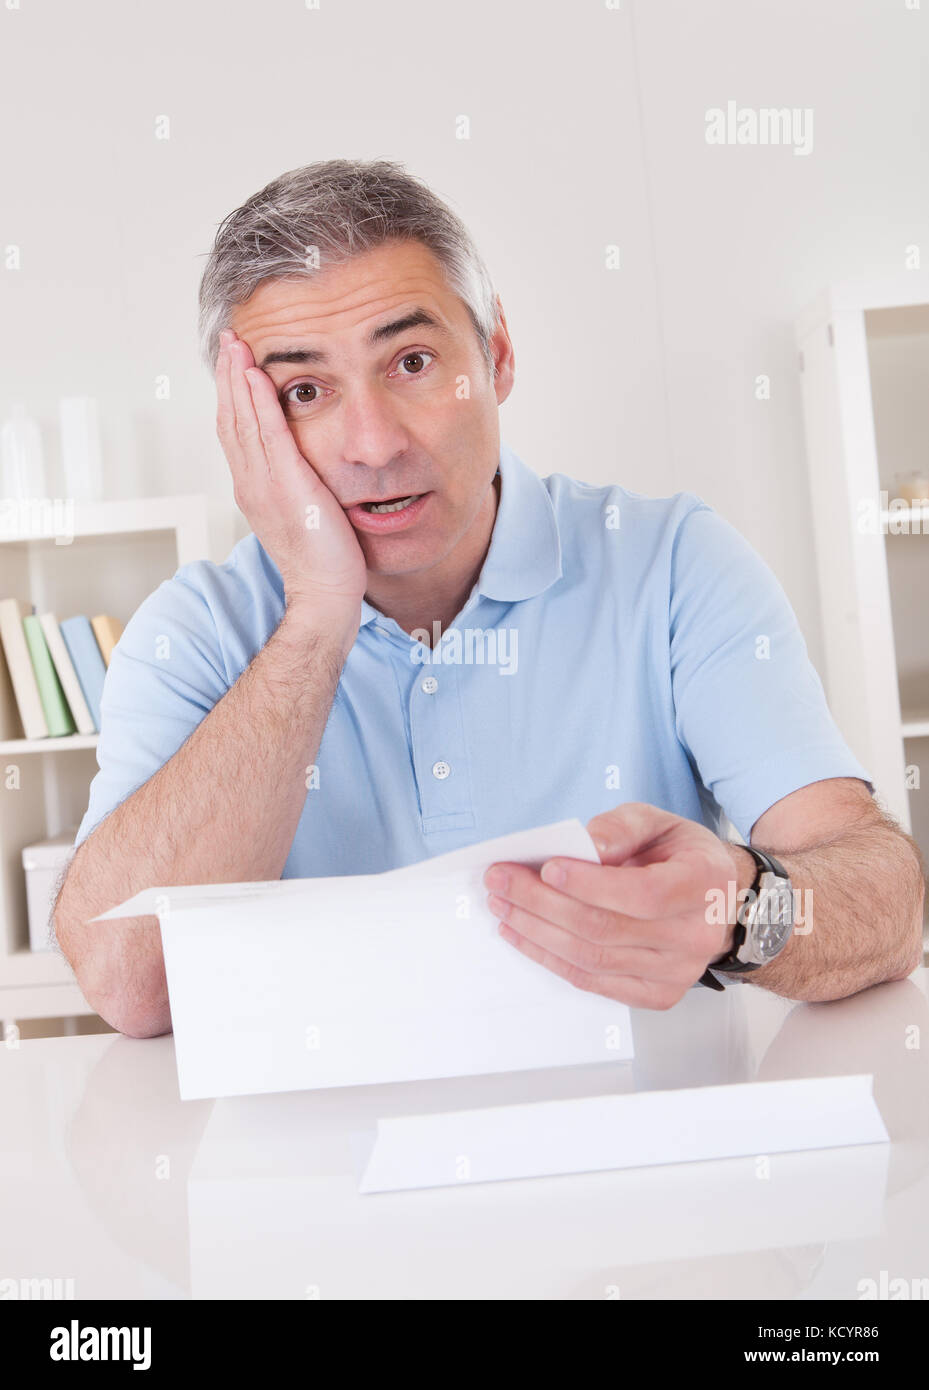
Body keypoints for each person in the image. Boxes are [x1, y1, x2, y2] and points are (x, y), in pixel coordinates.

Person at [54, 159, 925, 1038]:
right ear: (246, 428)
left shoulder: (671, 564)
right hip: (320, 1167)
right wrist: (318, 614)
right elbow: (131, 985)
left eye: (412, 361)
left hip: (643, 1150)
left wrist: (743, 913)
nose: (372, 444)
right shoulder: (196, 629)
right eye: (304, 391)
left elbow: (884, 904)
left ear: (496, 354)